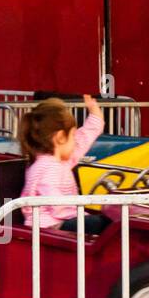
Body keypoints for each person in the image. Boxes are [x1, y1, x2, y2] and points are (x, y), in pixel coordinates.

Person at [19, 94, 108, 233]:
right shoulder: (47, 168)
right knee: (100, 224)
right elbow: (57, 205)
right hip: (50, 227)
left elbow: (83, 139)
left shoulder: (60, 161)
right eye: (72, 135)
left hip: (62, 221)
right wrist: (82, 214)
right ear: (60, 137)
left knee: (106, 222)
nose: (75, 140)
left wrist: (95, 117)